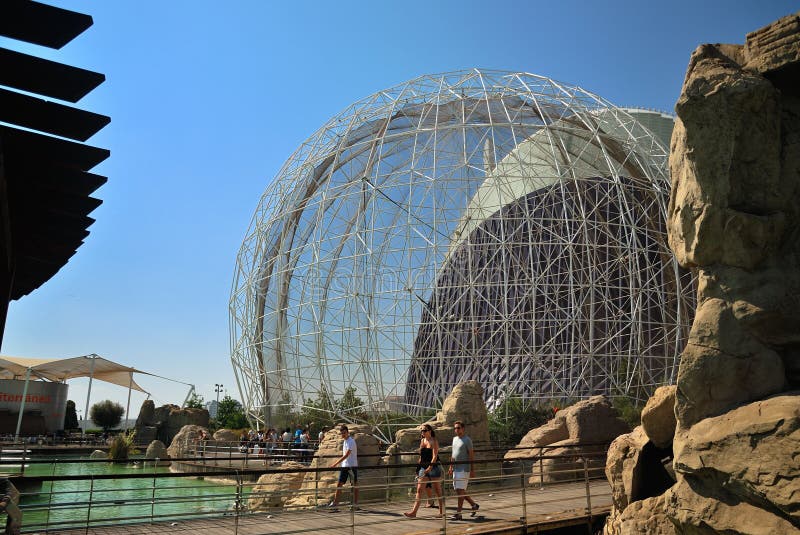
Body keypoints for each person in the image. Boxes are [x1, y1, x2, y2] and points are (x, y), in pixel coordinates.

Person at [403, 424, 443, 518]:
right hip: (423, 467)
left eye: (424, 430)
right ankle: (414, 512)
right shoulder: (422, 441)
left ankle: (441, 512)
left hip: (434, 467)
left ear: (429, 431)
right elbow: (421, 457)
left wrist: (430, 467)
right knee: (419, 489)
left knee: (437, 490)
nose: (422, 432)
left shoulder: (434, 441)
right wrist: (418, 468)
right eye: (421, 431)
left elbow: (435, 456)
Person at [448, 420, 479, 520]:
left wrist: (472, 469)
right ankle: (474, 505)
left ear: (463, 428)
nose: (456, 430)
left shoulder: (467, 440)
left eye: (458, 428)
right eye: (455, 428)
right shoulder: (454, 439)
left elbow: (471, 456)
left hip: (464, 468)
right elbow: (453, 454)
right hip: (456, 468)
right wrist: (450, 466)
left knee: (461, 490)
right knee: (458, 490)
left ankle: (459, 513)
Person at [328, 425, 358, 511]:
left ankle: (355, 504)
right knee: (339, 484)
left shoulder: (351, 441)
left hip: (352, 466)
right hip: (345, 466)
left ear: (347, 432)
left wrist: (335, 463)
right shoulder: (345, 441)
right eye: (342, 433)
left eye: (344, 433)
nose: (343, 435)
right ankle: (335, 504)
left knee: (354, 484)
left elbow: (347, 455)